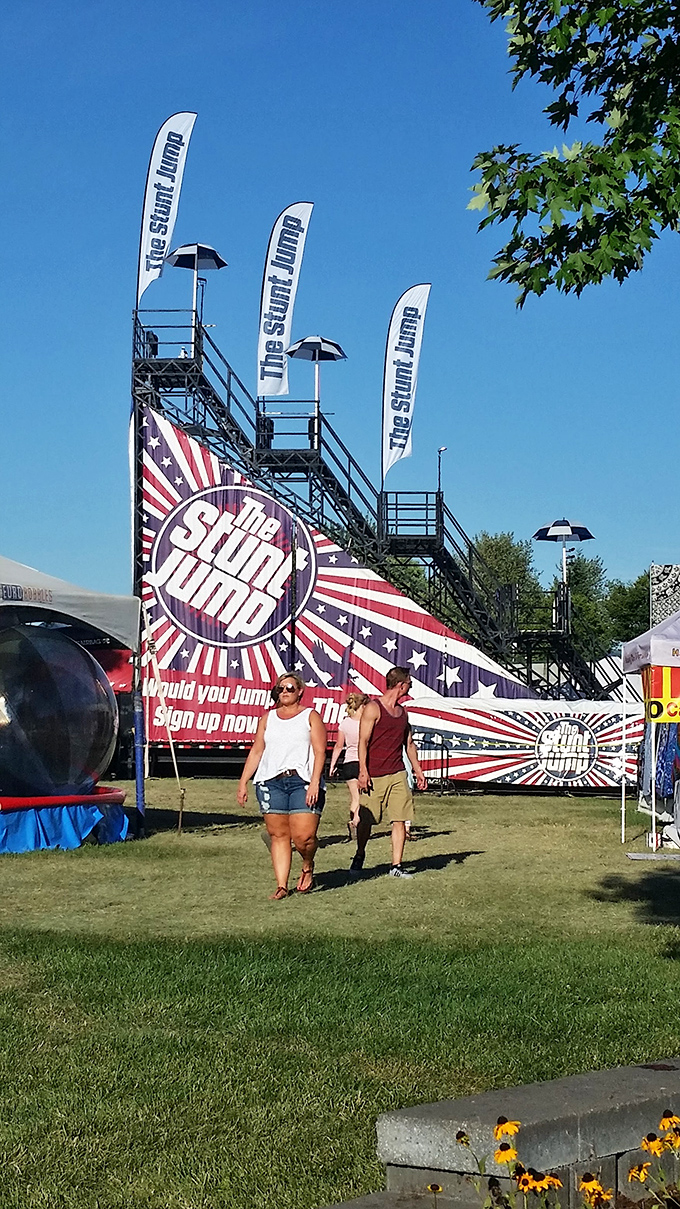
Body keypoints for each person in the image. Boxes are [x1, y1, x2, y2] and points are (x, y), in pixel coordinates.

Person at [237, 673, 327, 899]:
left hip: (302, 781)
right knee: (278, 834)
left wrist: (315, 781)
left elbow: (319, 752)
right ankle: (281, 885)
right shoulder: (268, 718)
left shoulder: (310, 716)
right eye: (281, 688)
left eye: (290, 688)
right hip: (271, 781)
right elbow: (257, 750)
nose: (285, 692)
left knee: (303, 836)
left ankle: (307, 863)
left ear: (300, 691)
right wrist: (243, 781)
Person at [351, 666, 426, 880]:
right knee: (367, 820)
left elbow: (409, 744)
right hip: (374, 774)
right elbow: (362, 742)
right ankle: (360, 853)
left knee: (400, 819)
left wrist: (418, 770)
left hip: (397, 773)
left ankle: (396, 865)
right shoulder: (374, 708)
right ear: (401, 685)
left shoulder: (403, 712)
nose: (410, 687)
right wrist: (363, 771)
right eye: (409, 683)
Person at [329, 692, 369, 841]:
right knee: (362, 798)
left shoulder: (345, 723)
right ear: (363, 706)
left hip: (348, 763)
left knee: (354, 797)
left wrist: (333, 764)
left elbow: (339, 746)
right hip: (362, 762)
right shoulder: (367, 723)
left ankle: (354, 822)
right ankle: (356, 823)